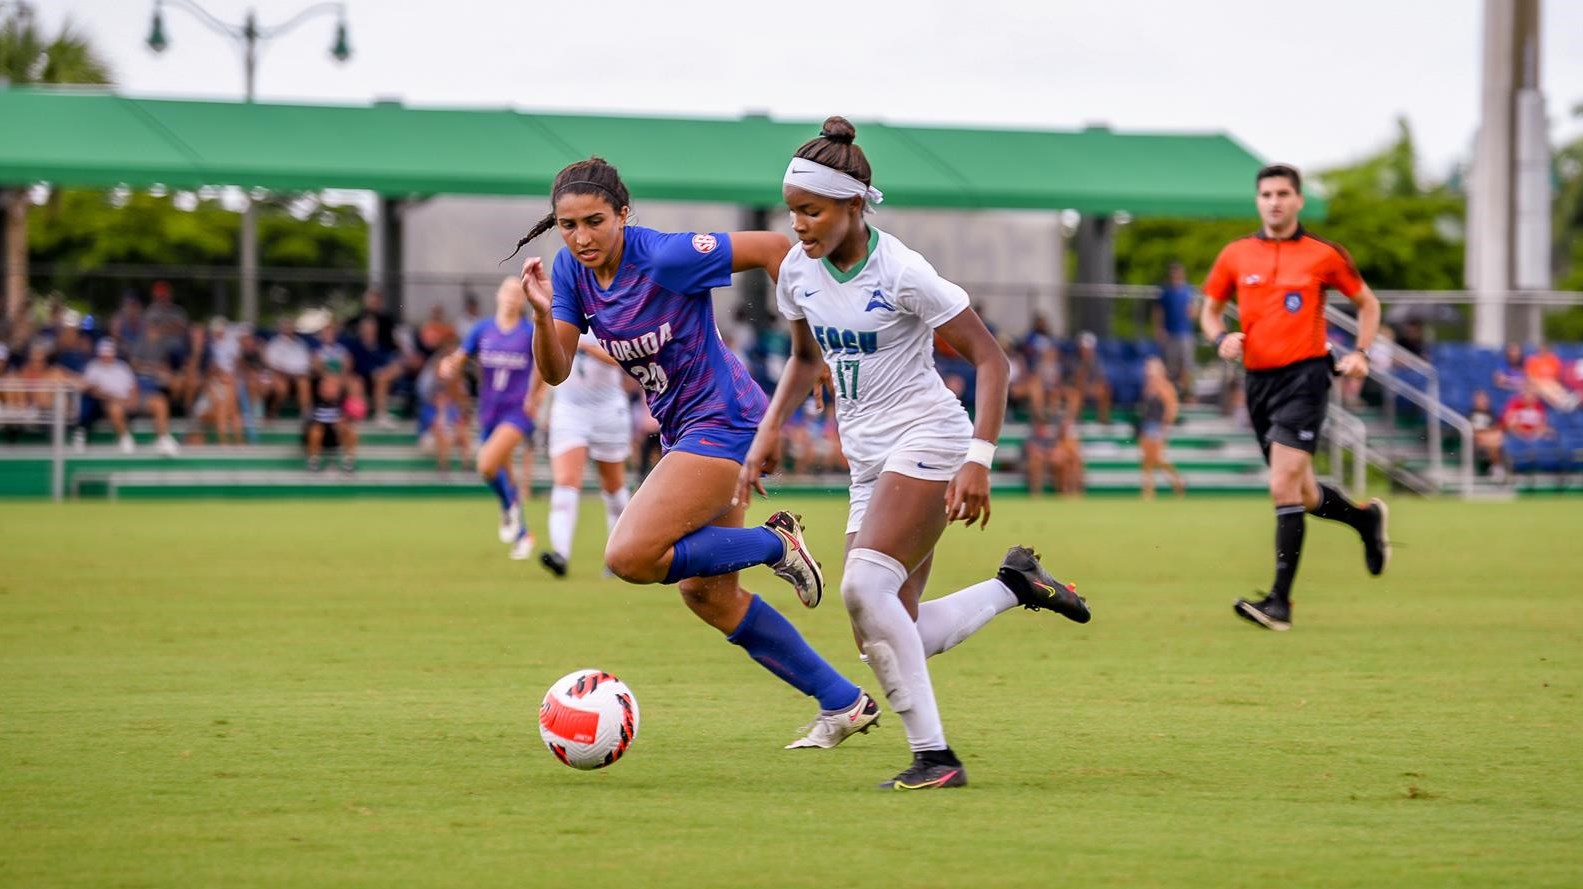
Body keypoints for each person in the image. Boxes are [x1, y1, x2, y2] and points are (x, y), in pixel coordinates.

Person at [739, 118, 1091, 791]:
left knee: (862, 589)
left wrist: (978, 458)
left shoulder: (902, 271)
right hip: (866, 456)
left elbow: (992, 359)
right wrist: (768, 432)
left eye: (810, 210)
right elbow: (806, 357)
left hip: (928, 437)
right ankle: (1015, 585)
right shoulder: (795, 270)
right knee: (887, 630)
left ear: (853, 205)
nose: (799, 223)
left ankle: (936, 757)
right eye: (791, 210)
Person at [517, 156, 879, 750]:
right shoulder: (571, 271)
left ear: (624, 214)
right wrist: (539, 315)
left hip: (727, 422)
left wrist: (808, 348)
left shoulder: (665, 256)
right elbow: (555, 371)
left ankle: (775, 543)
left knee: (631, 556)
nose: (581, 237)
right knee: (709, 596)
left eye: (595, 221)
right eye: (569, 225)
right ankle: (843, 701)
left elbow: (771, 246)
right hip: (684, 430)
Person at [1200, 163, 1390, 632]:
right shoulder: (1236, 254)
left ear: (1299, 200)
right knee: (1301, 493)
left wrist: (1362, 353)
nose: (1275, 201)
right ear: (1258, 200)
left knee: (1283, 486)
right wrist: (1220, 338)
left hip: (1306, 377)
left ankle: (1279, 604)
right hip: (1259, 383)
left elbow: (1368, 302)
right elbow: (1209, 310)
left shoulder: (1324, 255)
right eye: (1266, 194)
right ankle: (1365, 521)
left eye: (1284, 193)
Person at [439, 277, 541, 561]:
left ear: (523, 300)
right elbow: (460, 358)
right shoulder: (482, 329)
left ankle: (507, 507)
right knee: (503, 473)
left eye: (517, 293)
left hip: (517, 412)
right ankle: (523, 534)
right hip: (489, 411)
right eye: (507, 291)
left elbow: (545, 366)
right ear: (498, 295)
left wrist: (536, 396)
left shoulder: (529, 332)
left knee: (485, 464)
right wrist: (448, 366)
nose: (511, 297)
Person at [536, 330, 633, 578]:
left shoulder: (609, 311)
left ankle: (619, 555)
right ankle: (561, 554)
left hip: (607, 408)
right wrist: (533, 395)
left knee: (613, 485)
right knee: (566, 480)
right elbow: (544, 355)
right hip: (570, 409)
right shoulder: (562, 312)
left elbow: (622, 358)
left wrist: (585, 346)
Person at [79, 338, 180, 456]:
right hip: (109, 401)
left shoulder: (122, 366)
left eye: (109, 352)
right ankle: (125, 439)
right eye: (104, 352)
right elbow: (93, 390)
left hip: (128, 398)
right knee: (114, 408)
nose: (107, 355)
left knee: (159, 401)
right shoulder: (93, 367)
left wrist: (133, 399)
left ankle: (162, 438)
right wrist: (116, 399)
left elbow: (133, 385)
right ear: (99, 353)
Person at [1138, 356, 1185, 498]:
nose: (1148, 371)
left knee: (1157, 458)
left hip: (1157, 425)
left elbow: (1171, 408)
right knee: (1147, 459)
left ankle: (1177, 481)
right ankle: (1148, 490)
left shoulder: (1164, 386)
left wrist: (1165, 427)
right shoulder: (1149, 386)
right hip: (1148, 424)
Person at [1154, 262, 1197, 399]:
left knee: (1186, 364)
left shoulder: (1189, 291)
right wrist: (1159, 329)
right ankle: (1170, 394)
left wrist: (1192, 312)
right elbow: (1159, 311)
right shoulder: (1166, 292)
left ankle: (1186, 394)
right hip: (1170, 332)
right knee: (1170, 366)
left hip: (1185, 332)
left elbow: (1195, 310)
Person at [1468, 389, 1508, 481]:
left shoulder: (1491, 414)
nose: (1482, 402)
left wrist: (1488, 432)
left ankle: (1496, 468)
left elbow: (1496, 428)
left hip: (1489, 441)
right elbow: (1472, 430)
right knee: (1495, 441)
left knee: (1495, 441)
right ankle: (1497, 468)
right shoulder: (1471, 414)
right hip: (1477, 441)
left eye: (1484, 399)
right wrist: (1485, 432)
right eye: (1480, 399)